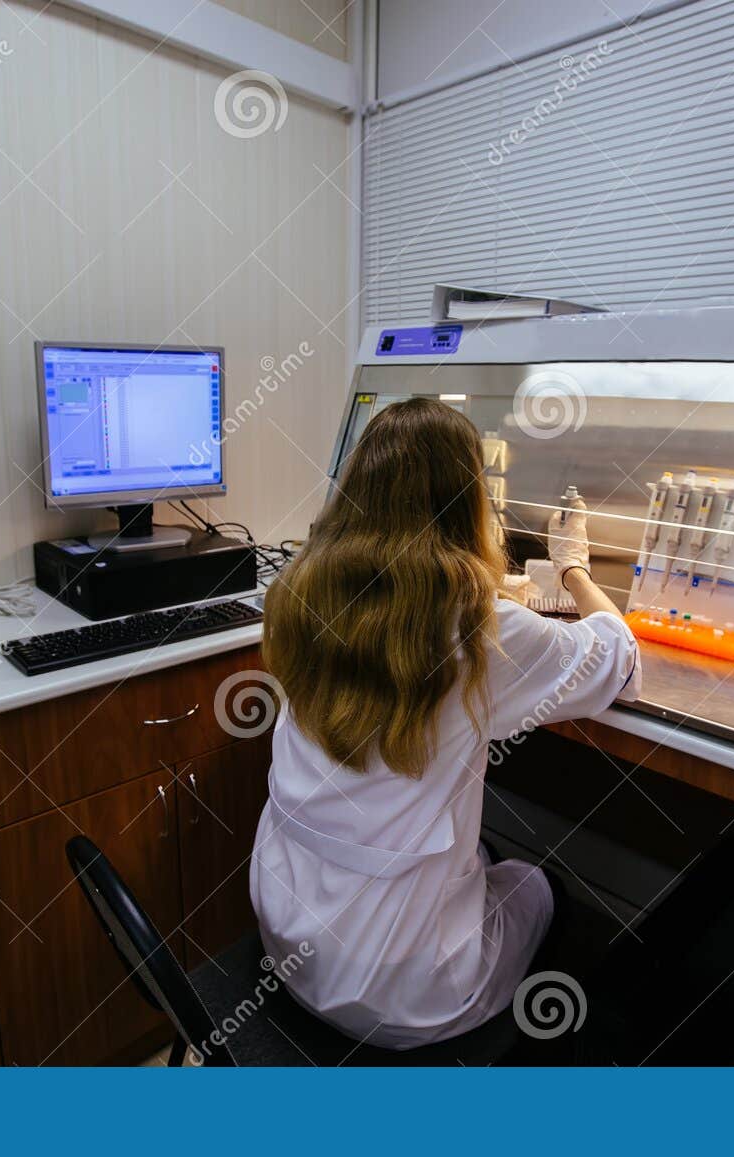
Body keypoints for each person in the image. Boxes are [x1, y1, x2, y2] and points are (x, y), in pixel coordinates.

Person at [250, 397, 639, 1049]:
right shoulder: (479, 628)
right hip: (403, 995)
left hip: (288, 940)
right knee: (541, 885)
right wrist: (571, 566)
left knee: (471, 857)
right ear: (468, 503)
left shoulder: (299, 592)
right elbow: (620, 660)